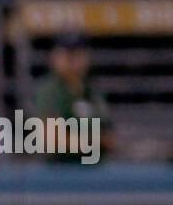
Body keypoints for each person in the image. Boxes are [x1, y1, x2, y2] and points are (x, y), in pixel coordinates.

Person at [33, 32, 114, 162]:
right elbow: (52, 140)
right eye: (67, 55)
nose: (73, 61)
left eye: (78, 54)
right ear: (54, 57)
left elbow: (109, 135)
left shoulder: (92, 90)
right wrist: (94, 141)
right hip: (61, 172)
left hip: (95, 170)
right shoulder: (50, 91)